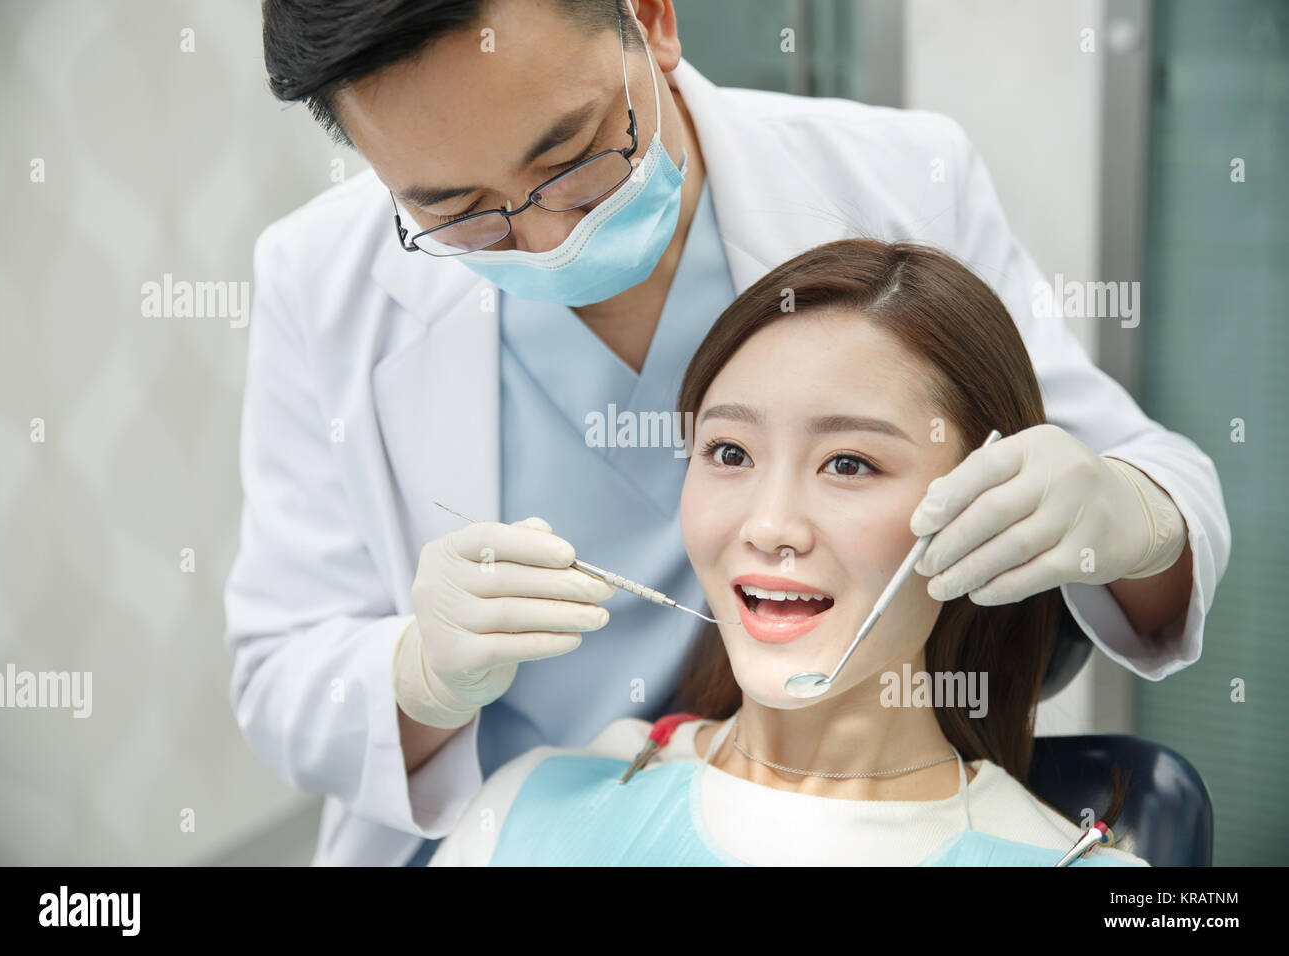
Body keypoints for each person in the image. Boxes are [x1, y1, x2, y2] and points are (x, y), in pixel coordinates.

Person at [225, 0, 1229, 866]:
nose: (542, 235)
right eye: (458, 214)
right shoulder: (321, 281)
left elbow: (1142, 496)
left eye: (571, 161)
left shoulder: (897, 181)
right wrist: (418, 671)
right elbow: (281, 670)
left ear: (652, 18)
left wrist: (1123, 512)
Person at [429, 238, 1148, 866]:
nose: (770, 525)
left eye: (848, 464)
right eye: (730, 451)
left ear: (985, 509)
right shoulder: (528, 809)